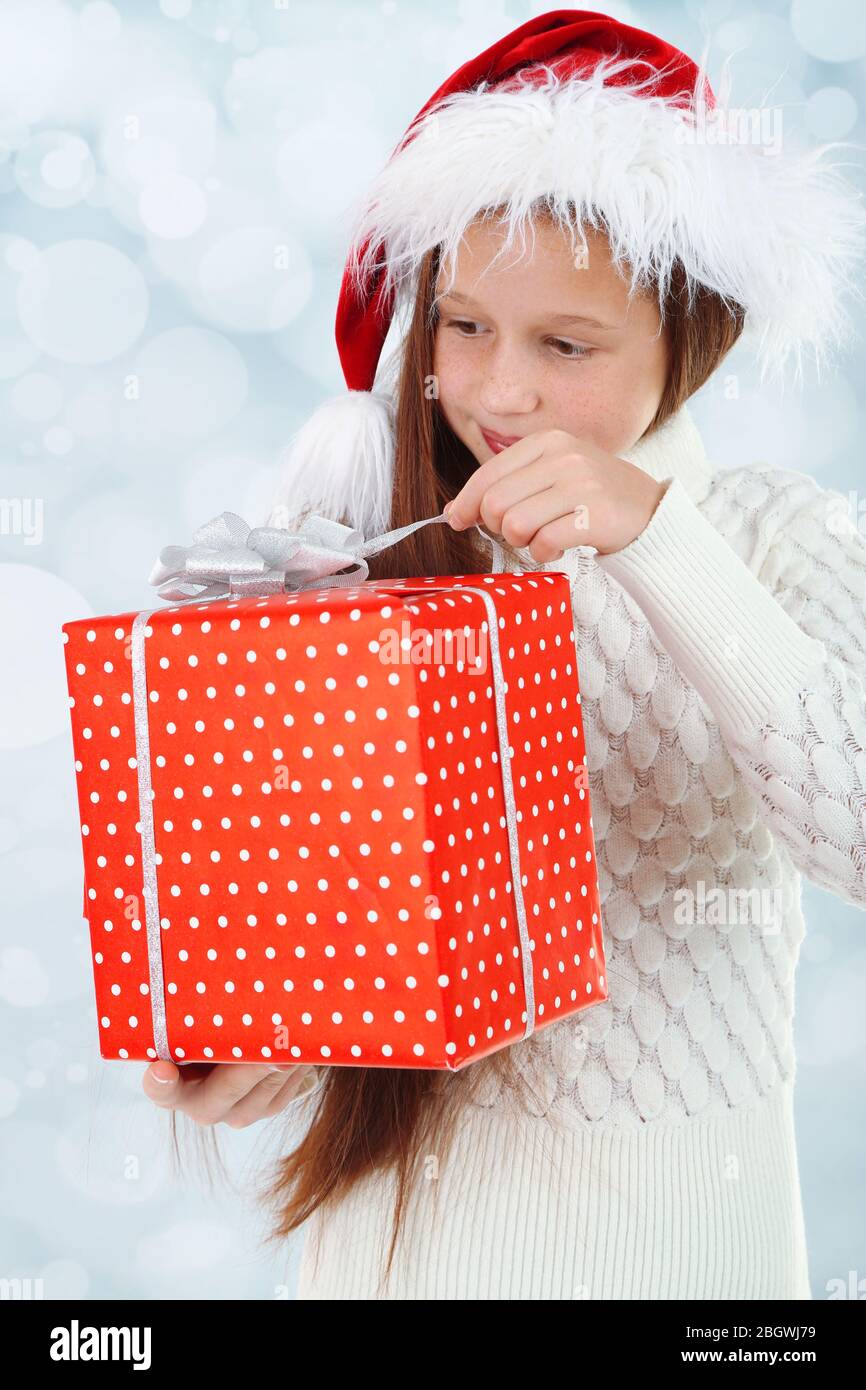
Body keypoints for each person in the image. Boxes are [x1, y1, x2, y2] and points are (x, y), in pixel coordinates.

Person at [143, 10, 866, 1299]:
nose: (500, 392)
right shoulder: (380, 549)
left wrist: (662, 545)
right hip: (395, 1257)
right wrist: (262, 1051)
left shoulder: (776, 537)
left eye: (567, 346)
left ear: (692, 345)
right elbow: (372, 948)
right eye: (463, 326)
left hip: (681, 1264)